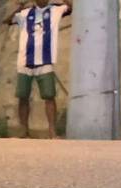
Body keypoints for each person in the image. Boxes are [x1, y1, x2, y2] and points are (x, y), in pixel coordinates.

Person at [5, 0, 73, 138]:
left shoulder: (55, 10)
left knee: (49, 96)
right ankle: (24, 131)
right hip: (25, 61)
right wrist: (19, 7)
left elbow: (72, 7)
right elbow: (7, 21)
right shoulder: (25, 13)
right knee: (23, 96)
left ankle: (52, 132)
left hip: (45, 61)